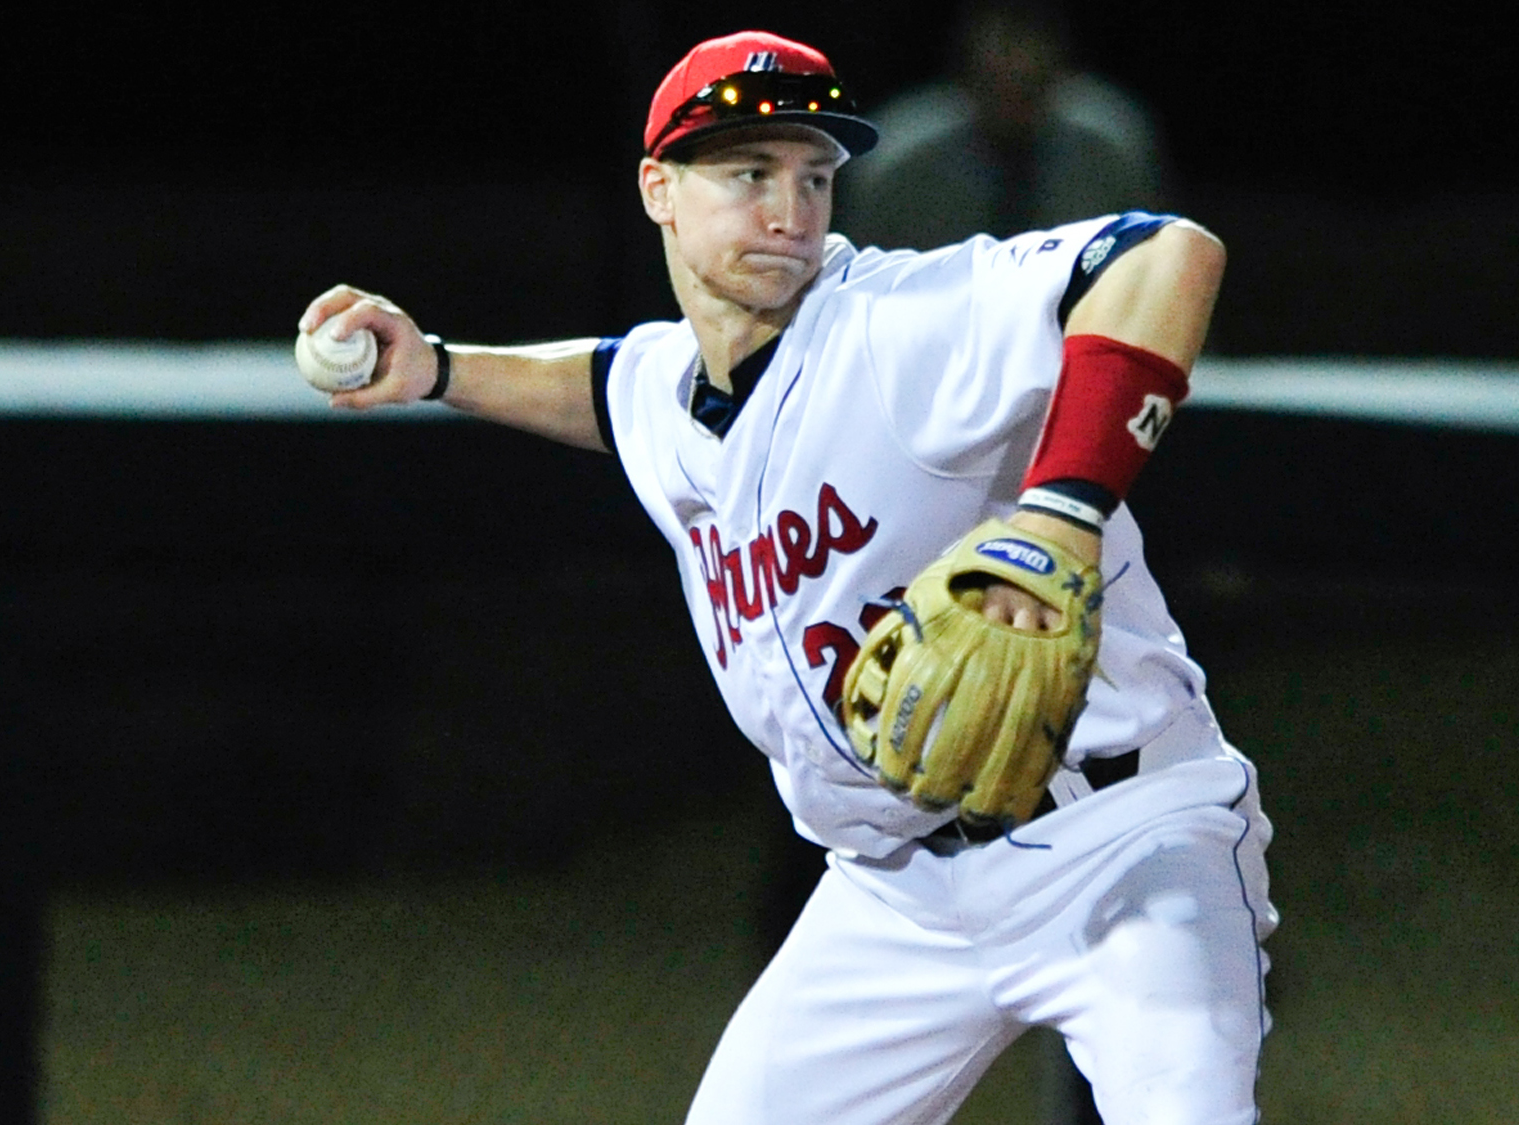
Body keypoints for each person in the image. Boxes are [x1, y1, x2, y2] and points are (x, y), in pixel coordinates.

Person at [297, 30, 1276, 1125]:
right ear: (657, 190)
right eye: (747, 174)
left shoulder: (896, 326)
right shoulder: (672, 384)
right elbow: (608, 383)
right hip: (892, 895)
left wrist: (1062, 508)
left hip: (1120, 838)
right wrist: (434, 367)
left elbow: (1165, 255)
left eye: (812, 176)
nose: (790, 208)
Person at [839, 1, 1166, 252]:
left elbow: (1154, 272)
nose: (1015, 105)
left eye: (1029, 88)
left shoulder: (1110, 155)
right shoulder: (900, 169)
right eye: (999, 84)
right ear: (966, 77)